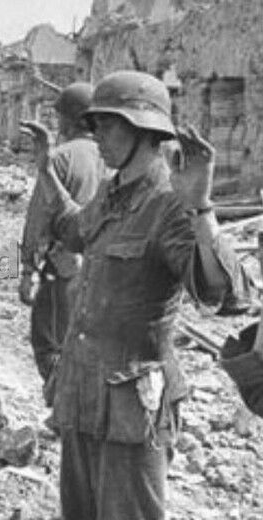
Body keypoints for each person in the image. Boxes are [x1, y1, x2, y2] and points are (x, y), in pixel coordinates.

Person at [33, 70, 241, 520]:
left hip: (132, 409)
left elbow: (220, 292)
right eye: (94, 125)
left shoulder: (169, 202)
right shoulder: (112, 192)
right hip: (83, 393)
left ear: (144, 130)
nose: (97, 136)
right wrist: (46, 171)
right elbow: (74, 230)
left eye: (108, 124)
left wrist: (201, 207)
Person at [18, 82, 107, 405]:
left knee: (50, 342)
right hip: (104, 270)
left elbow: (38, 217)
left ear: (69, 120)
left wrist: (27, 269)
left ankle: (66, 411)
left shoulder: (58, 158)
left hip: (64, 266)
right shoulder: (113, 157)